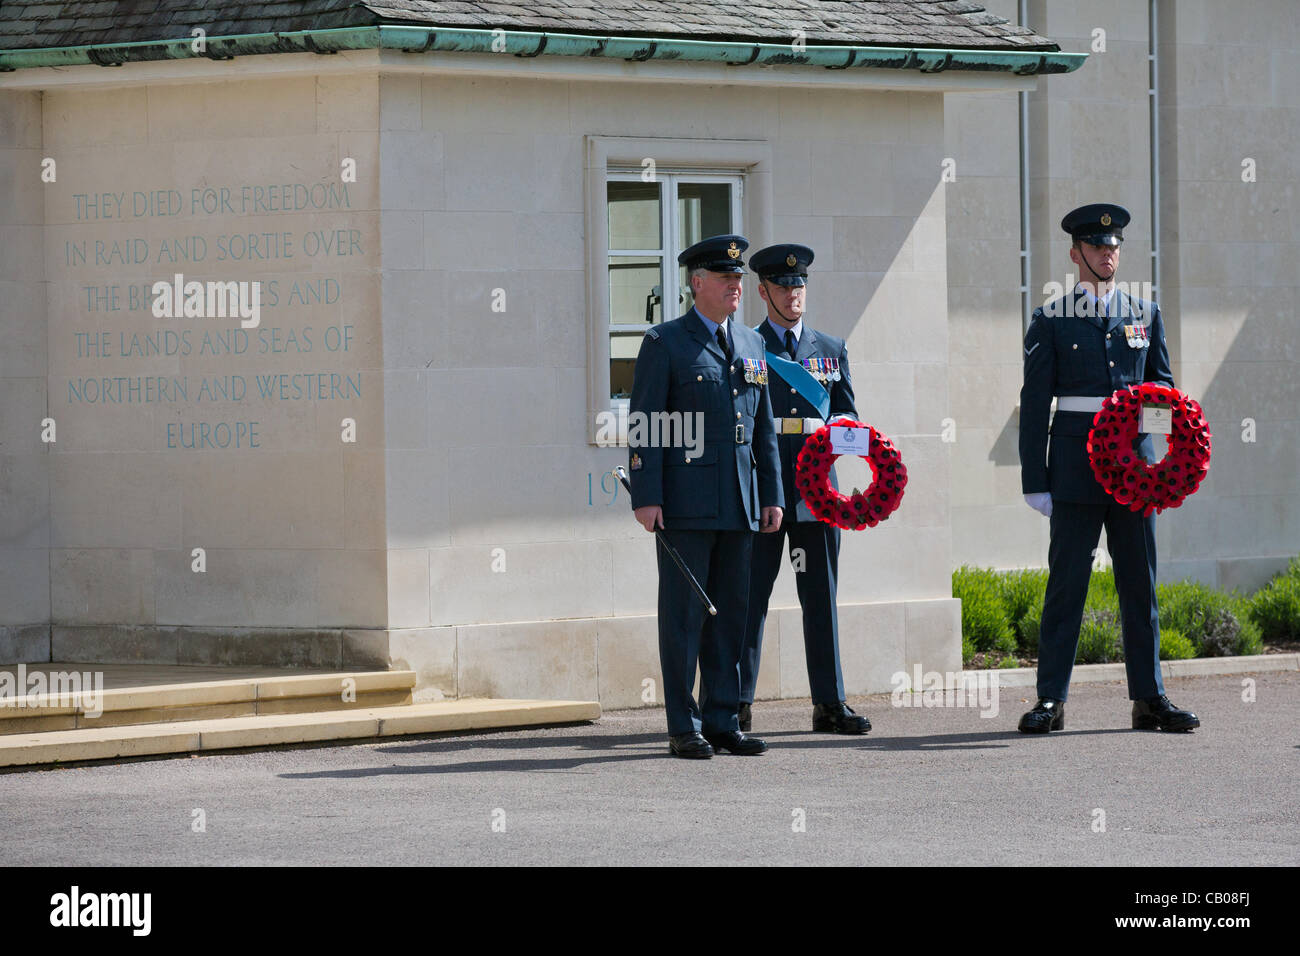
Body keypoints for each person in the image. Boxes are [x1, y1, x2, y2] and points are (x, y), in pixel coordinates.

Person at [1018, 203, 1199, 733]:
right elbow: (1035, 403)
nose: (1107, 254)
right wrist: (1036, 479)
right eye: (1097, 247)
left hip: (1135, 475)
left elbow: (1162, 388)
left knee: (1139, 586)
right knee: (1067, 585)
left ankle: (1150, 698)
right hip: (1075, 469)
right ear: (1076, 254)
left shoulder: (1145, 313)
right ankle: (1051, 699)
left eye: (1114, 246)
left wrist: (1157, 453)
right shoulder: (1051, 317)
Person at [627, 234, 784, 759]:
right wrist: (646, 496)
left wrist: (772, 494)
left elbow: (763, 430)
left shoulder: (752, 344)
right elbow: (646, 424)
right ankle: (683, 725)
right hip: (687, 504)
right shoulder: (664, 343)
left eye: (739, 278)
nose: (736, 286)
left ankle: (722, 719)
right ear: (697, 284)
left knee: (731, 617)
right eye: (725, 278)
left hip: (739, 503)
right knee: (684, 618)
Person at [738, 243, 870, 735]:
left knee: (821, 596)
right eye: (784, 286)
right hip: (764, 487)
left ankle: (830, 703)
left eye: (800, 285)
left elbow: (848, 414)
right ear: (763, 291)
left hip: (817, 489)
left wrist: (844, 429)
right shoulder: (747, 346)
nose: (794, 294)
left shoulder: (830, 348)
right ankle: (735, 702)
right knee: (750, 599)